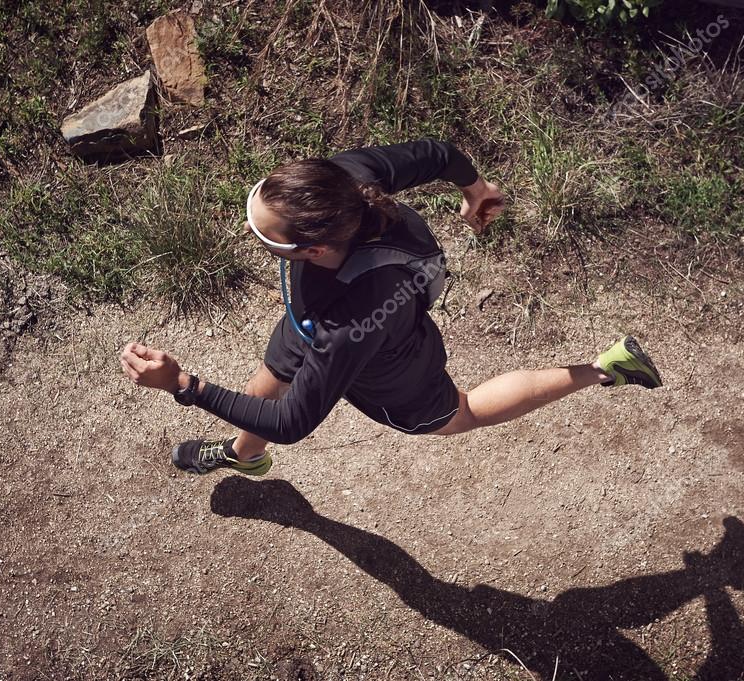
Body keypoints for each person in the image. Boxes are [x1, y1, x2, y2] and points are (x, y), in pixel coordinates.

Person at [119, 139, 662, 476]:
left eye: (263, 234)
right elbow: (436, 153)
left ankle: (602, 368)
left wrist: (185, 386)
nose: (247, 228)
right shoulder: (343, 183)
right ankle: (244, 455)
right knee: (273, 370)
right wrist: (476, 188)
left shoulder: (348, 326)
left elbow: (293, 422)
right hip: (324, 314)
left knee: (459, 412)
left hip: (387, 347)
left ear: (311, 250)